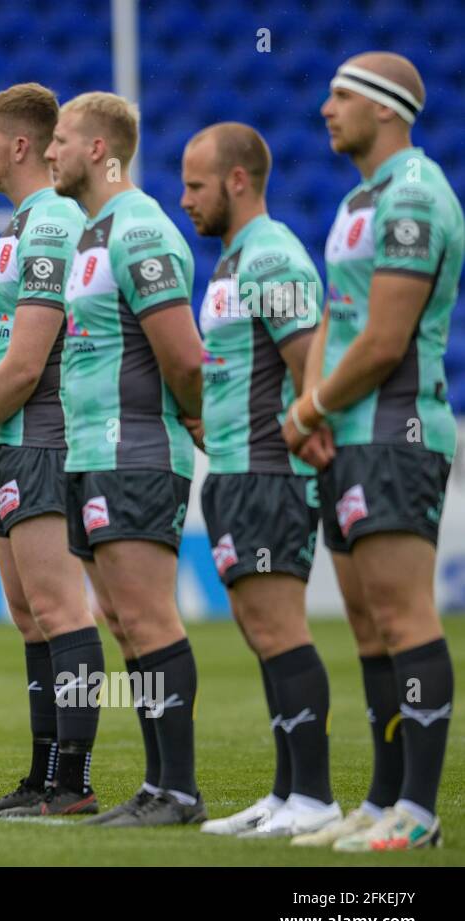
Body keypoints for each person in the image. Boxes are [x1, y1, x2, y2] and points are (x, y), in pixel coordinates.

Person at [284, 52, 461, 852]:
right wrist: (312, 407)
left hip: (397, 431)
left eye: (341, 96)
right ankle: (384, 797)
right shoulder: (360, 199)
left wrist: (314, 405)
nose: (326, 109)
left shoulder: (417, 193)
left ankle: (419, 813)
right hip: (347, 435)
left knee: (403, 614)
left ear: (387, 109)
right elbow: (335, 315)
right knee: (364, 623)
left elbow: (387, 338)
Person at [46, 93, 206, 826]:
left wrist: (198, 414)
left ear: (101, 148)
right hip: (92, 451)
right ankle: (155, 788)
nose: (49, 152)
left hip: (135, 449)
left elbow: (181, 351)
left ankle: (177, 790)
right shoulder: (92, 232)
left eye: (61, 140)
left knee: (147, 619)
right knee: (121, 617)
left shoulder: (138, 228)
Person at [0, 84, 105, 817]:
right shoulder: (14, 230)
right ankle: (42, 778)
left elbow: (29, 359)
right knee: (27, 613)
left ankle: (72, 782)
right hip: (6, 440)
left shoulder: (53, 224)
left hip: (44, 436)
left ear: (19, 145)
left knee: (59, 608)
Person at [179, 123, 338, 838]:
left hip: (271, 470)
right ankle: (284, 792)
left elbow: (309, 357)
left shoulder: (270, 257)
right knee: (258, 628)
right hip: (237, 470)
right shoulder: (233, 260)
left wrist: (307, 433)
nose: (185, 200)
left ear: (237, 180)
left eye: (196, 185)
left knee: (280, 627)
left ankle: (314, 795)